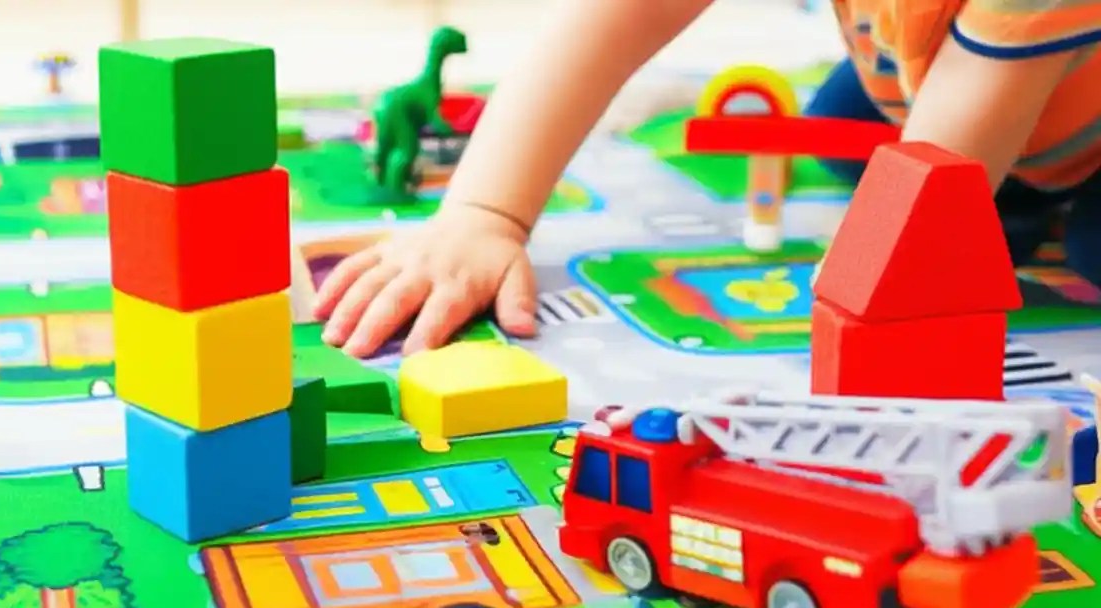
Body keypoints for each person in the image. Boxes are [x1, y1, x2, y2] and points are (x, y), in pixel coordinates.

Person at [315, 0, 1101, 358]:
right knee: (842, 137)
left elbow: (949, 150)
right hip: (917, 78)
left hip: (1059, 119)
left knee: (932, 241)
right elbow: (618, 15)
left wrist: (875, 288)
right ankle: (1019, 210)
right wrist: (483, 212)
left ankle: (1038, 208)